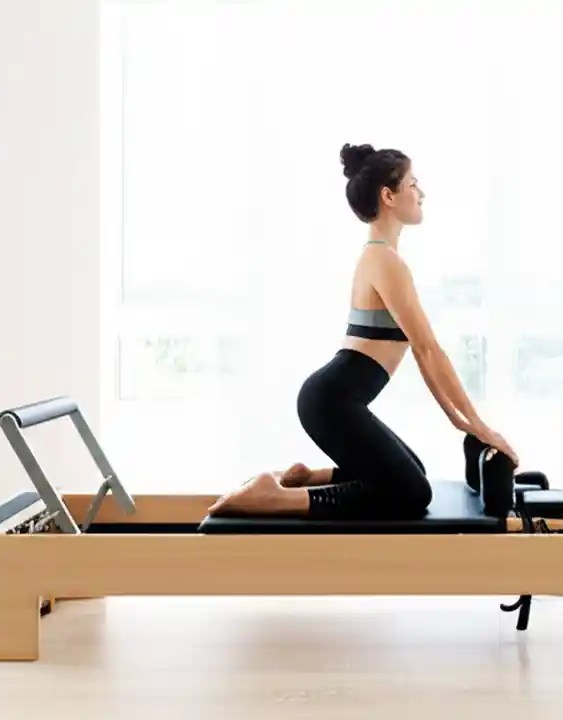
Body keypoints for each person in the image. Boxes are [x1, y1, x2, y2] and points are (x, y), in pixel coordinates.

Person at [208, 143, 519, 518]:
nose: (421, 193)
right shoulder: (385, 261)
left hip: (330, 398)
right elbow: (428, 351)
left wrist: (466, 423)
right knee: (410, 492)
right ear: (388, 196)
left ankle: (306, 478)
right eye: (413, 184)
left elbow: (427, 354)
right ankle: (272, 497)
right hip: (331, 401)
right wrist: (477, 427)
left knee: (413, 473)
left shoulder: (377, 256)